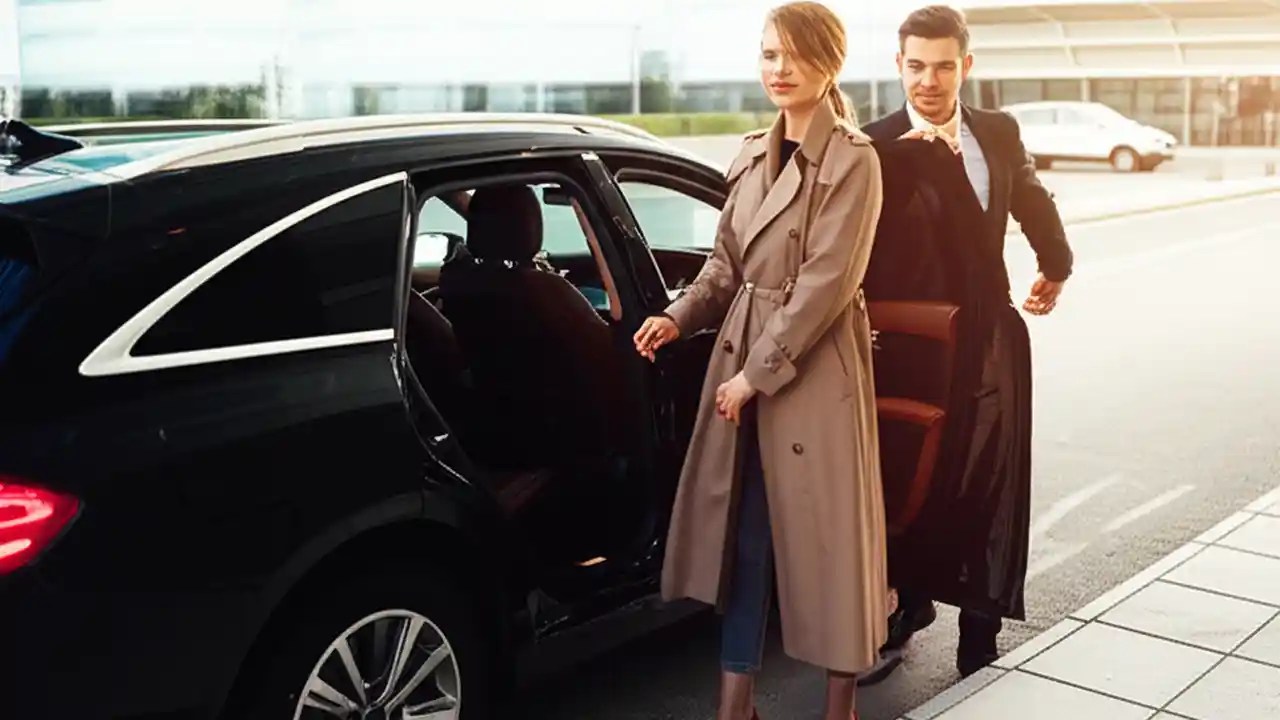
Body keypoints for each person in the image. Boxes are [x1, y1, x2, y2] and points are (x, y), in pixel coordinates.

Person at [633, 3, 887, 718]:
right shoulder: (748, 153)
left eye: (794, 56)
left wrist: (753, 376)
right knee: (744, 540)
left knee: (830, 546)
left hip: (811, 371)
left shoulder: (855, 161)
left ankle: (841, 703)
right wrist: (676, 318)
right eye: (768, 55)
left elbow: (824, 287)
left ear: (829, 62)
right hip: (744, 360)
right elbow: (724, 265)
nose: (778, 70)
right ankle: (734, 702)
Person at [861, 4, 1074, 678]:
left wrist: (1056, 263)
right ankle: (908, 606)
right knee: (913, 483)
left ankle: (978, 637)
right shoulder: (871, 145)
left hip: (988, 337)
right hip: (910, 346)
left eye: (944, 66)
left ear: (966, 67)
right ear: (899, 66)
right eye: (917, 66)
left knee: (990, 479)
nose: (930, 80)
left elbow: (1032, 198)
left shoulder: (998, 131)